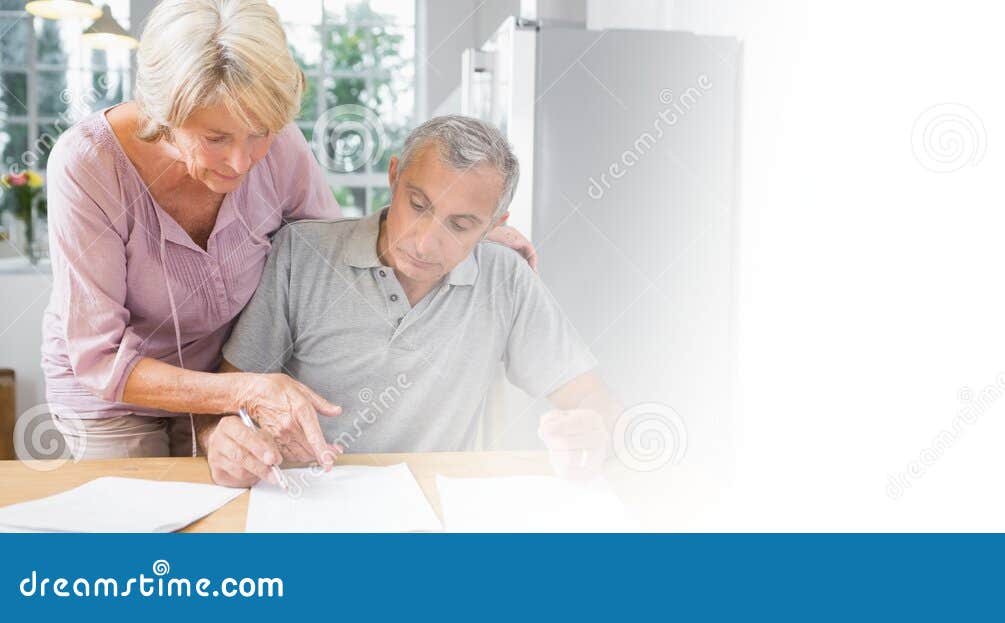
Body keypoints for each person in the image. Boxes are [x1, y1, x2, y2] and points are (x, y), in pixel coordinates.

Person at [41, 0, 538, 462]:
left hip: (227, 380)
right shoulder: (89, 165)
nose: (241, 161)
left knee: (225, 526)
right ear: (164, 113)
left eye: (259, 133)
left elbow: (330, 252)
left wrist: (452, 234)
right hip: (116, 399)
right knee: (144, 537)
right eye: (216, 138)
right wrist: (247, 391)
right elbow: (99, 358)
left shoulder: (279, 147)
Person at [201, 115, 619, 486]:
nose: (424, 243)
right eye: (418, 205)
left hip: (432, 517)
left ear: (495, 225)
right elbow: (225, 401)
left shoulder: (505, 278)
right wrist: (223, 442)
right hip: (303, 501)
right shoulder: (301, 253)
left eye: (461, 225)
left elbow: (592, 399)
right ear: (394, 175)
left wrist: (591, 429)